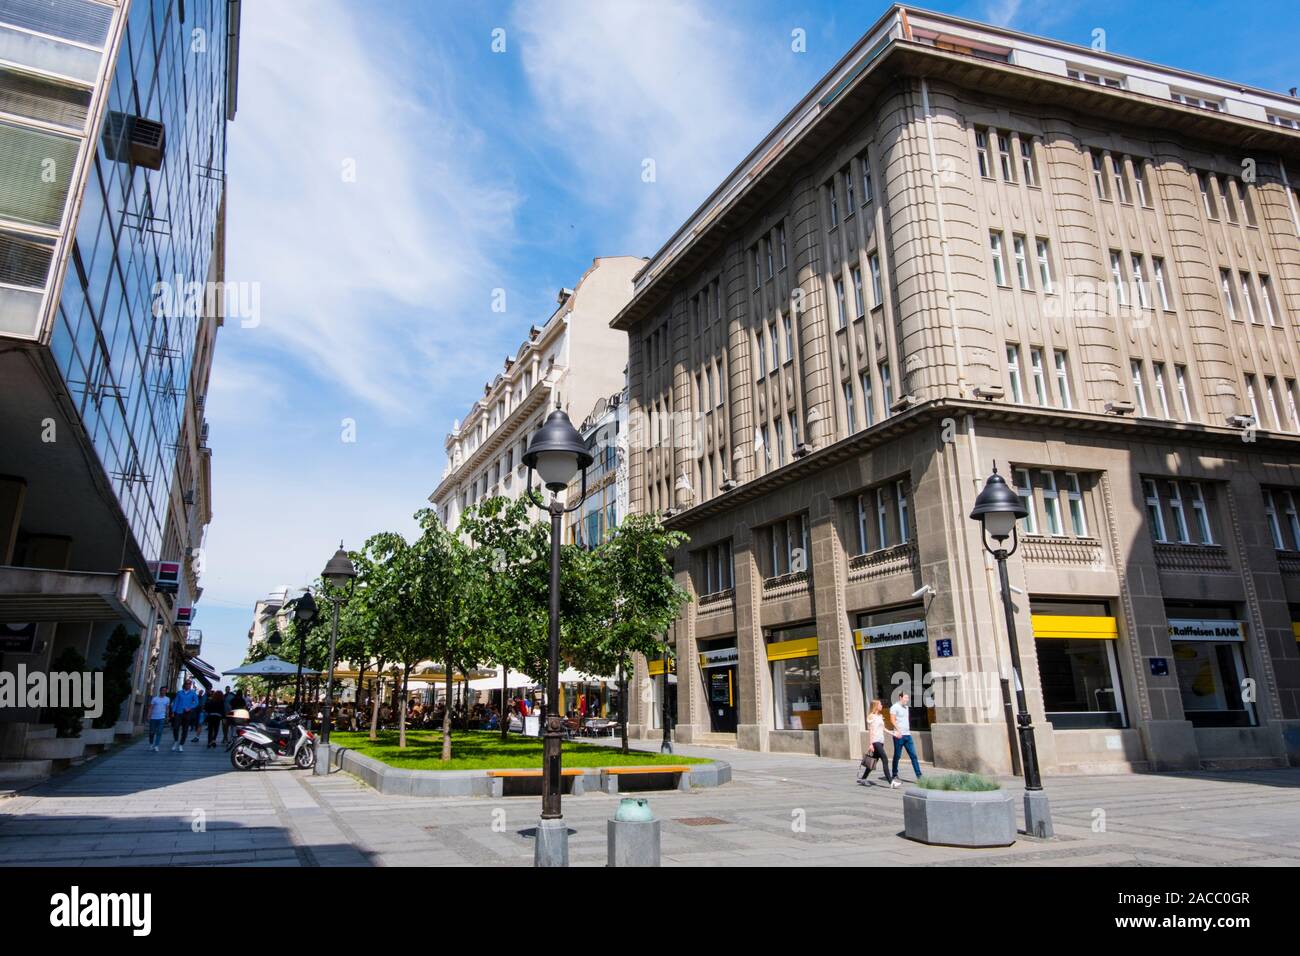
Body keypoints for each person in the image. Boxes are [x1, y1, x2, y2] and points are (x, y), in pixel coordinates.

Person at [859, 699, 899, 788]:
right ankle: (891, 782)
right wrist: (871, 744)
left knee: (873, 762)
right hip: (875, 741)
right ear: (876, 706)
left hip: (881, 741)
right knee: (885, 759)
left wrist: (893, 733)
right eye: (880, 704)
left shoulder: (880, 716)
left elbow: (883, 728)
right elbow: (871, 731)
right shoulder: (871, 716)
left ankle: (863, 778)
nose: (881, 706)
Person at [890, 692, 923, 782]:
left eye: (908, 698)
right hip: (898, 736)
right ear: (900, 697)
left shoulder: (906, 708)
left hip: (908, 735)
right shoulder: (894, 707)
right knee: (897, 755)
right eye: (905, 698)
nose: (907, 700)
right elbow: (892, 720)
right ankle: (894, 774)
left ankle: (919, 776)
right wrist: (898, 730)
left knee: (913, 755)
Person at [171, 680, 198, 751]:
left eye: (189, 684)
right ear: (184, 685)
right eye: (187, 684)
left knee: (185, 729)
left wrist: (190, 707)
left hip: (187, 713)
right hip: (178, 712)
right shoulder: (179, 693)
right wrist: (173, 711)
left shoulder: (193, 693)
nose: (188, 685)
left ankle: (181, 744)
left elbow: (196, 702)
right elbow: (176, 702)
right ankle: (176, 741)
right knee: (175, 727)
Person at [147, 686, 170, 752]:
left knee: (159, 732)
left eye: (165, 690)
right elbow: (151, 707)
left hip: (161, 717)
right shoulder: (155, 699)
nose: (163, 692)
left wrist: (167, 716)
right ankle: (151, 744)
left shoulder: (167, 699)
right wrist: (148, 715)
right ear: (160, 691)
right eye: (162, 690)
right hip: (153, 717)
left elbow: (167, 708)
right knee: (152, 732)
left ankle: (156, 745)